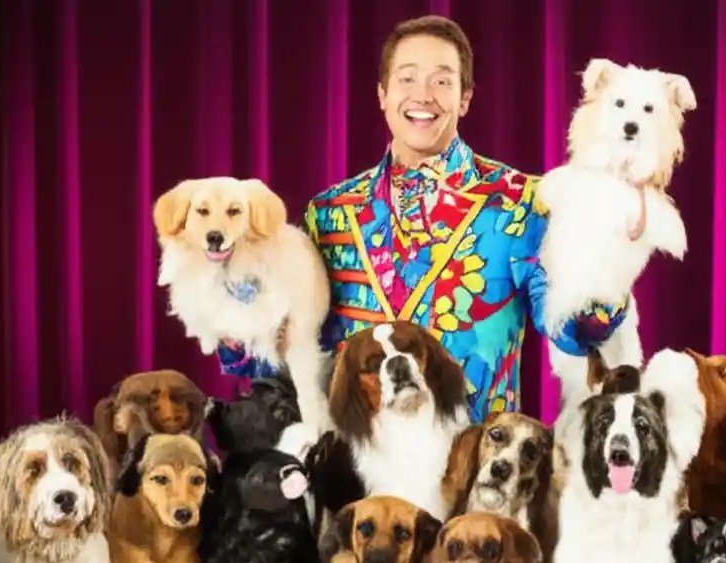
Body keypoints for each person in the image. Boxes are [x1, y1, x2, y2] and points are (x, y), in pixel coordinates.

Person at [216, 15, 628, 422]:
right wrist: (237, 320)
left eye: (442, 81)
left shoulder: (522, 201)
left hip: (474, 470)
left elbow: (571, 329)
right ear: (382, 93)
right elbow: (285, 351)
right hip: (355, 478)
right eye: (407, 78)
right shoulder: (331, 214)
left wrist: (610, 261)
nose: (423, 95)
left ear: (465, 98)